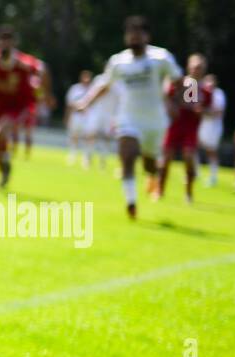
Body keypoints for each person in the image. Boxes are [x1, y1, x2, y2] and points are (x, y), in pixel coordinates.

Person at [77, 16, 182, 219]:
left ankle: (153, 174)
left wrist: (185, 102)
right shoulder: (118, 62)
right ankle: (131, 203)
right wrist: (86, 102)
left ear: (146, 36)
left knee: (149, 165)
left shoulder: (160, 58)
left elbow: (183, 81)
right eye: (130, 34)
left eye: (138, 34)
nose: (134, 38)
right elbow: (104, 85)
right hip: (128, 118)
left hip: (155, 121)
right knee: (127, 155)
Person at [0, 25, 53, 189]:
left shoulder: (23, 63)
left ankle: (8, 158)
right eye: (2, 40)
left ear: (14, 43)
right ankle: (4, 170)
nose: (5, 44)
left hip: (20, 106)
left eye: (8, 41)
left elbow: (43, 69)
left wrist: (46, 94)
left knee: (0, 131)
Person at [158, 54, 212, 203]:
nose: (197, 70)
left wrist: (201, 112)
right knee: (166, 159)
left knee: (188, 158)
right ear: (189, 67)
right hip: (175, 125)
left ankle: (188, 193)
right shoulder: (180, 83)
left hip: (191, 128)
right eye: (195, 67)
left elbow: (208, 109)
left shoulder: (206, 90)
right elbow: (168, 98)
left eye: (200, 68)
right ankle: (160, 190)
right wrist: (172, 108)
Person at [197, 74, 226, 187]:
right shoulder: (201, 92)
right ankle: (195, 173)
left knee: (211, 151)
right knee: (193, 147)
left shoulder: (219, 94)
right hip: (202, 125)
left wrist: (203, 111)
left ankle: (213, 176)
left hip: (214, 127)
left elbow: (218, 112)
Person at [65, 71, 94, 165]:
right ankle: (72, 155)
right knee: (74, 136)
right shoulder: (75, 88)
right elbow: (69, 104)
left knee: (88, 137)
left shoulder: (93, 89)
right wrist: (67, 117)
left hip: (88, 117)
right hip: (76, 116)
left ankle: (86, 158)